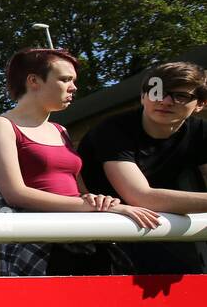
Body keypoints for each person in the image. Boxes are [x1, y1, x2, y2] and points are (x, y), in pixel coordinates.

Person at [0, 49, 160, 276]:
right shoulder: (0, 125)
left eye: (74, 80)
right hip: (40, 243)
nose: (73, 87)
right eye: (65, 79)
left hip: (83, 235)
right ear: (33, 80)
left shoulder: (61, 130)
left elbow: (79, 190)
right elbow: (15, 193)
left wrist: (98, 201)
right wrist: (93, 206)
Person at [79, 61, 207, 275]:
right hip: (102, 236)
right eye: (156, 92)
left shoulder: (201, 133)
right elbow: (140, 196)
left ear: (201, 104)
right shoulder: (112, 130)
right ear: (143, 96)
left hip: (160, 231)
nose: (165, 101)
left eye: (180, 96)